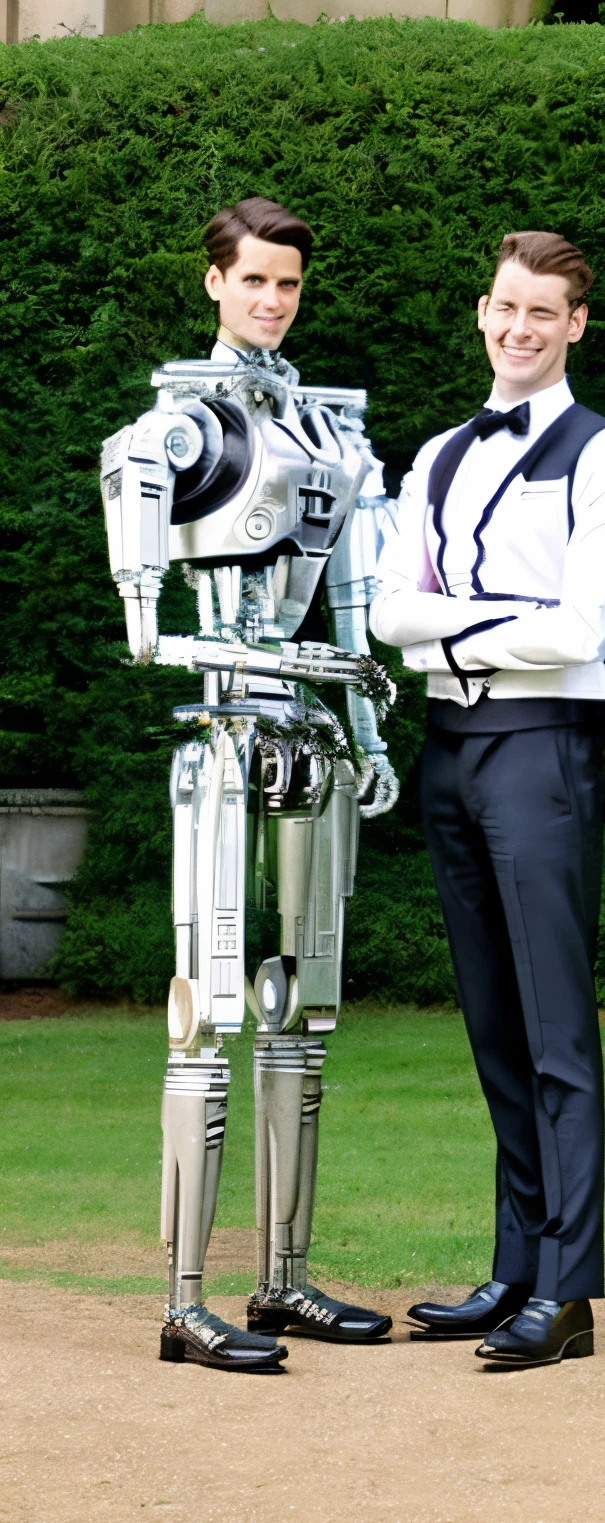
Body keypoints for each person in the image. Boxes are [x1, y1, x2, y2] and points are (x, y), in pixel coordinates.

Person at [101, 198, 399, 1369]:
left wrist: (365, 733)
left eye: (286, 284)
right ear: (214, 282)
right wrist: (261, 662)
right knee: (207, 1011)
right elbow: (145, 631)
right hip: (223, 734)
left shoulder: (327, 431)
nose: (271, 300)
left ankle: (282, 1281)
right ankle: (184, 1300)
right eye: (253, 281)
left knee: (302, 1015)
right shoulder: (176, 426)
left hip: (313, 737)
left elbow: (357, 602)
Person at [370, 232, 605, 1367]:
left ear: (574, 325)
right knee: (494, 1025)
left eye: (543, 313)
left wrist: (453, 615)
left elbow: (580, 630)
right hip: (451, 744)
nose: (518, 329)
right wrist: (499, 612)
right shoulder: (440, 452)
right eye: (505, 307)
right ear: (483, 310)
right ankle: (514, 1270)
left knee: (554, 1030)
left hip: (543, 745)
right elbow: (387, 618)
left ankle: (571, 1293)